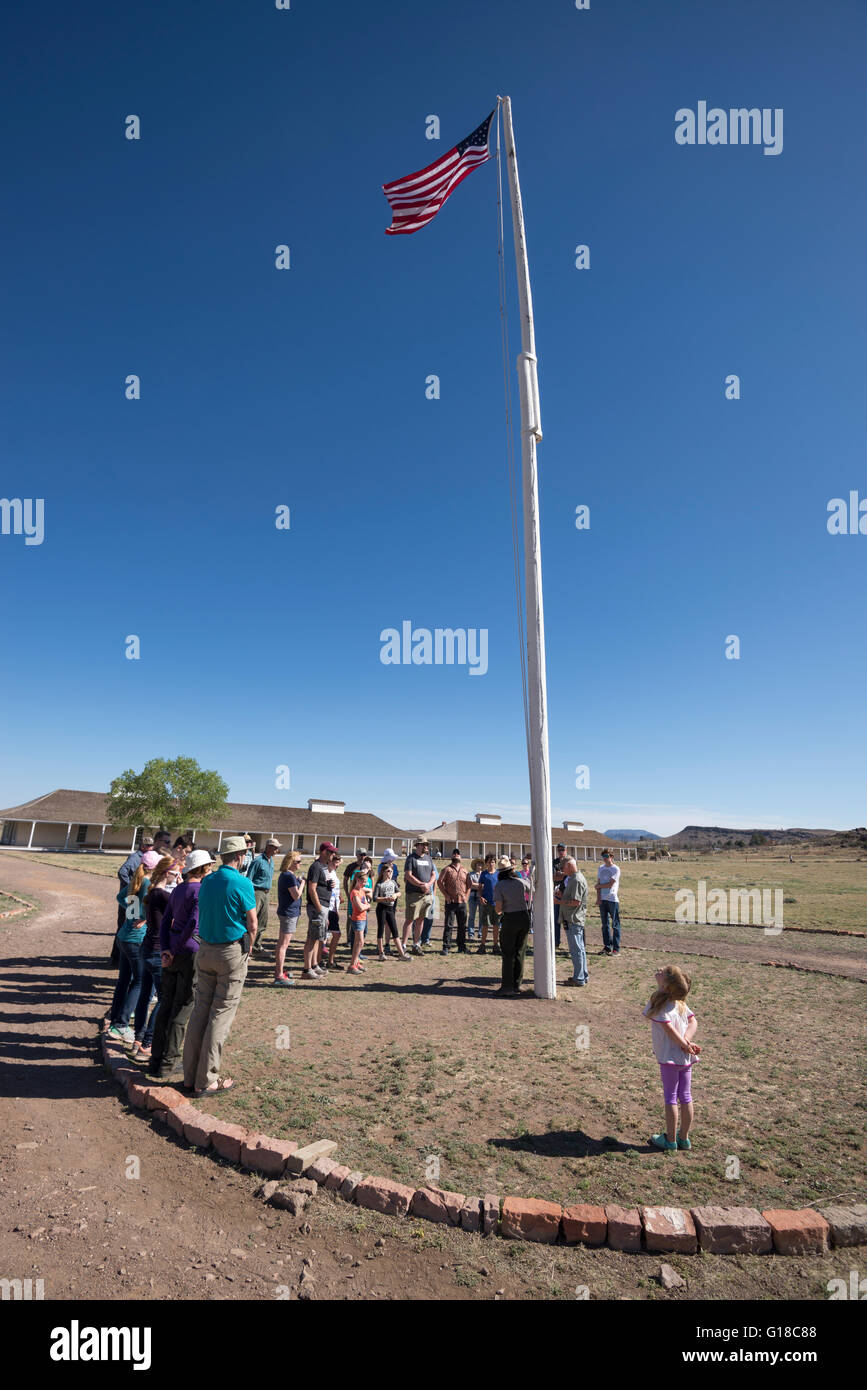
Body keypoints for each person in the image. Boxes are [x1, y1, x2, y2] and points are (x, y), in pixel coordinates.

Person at [182, 835, 257, 1097]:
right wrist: (249, 948)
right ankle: (207, 1080)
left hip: (205, 949)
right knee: (220, 1014)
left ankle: (190, 1076)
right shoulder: (242, 883)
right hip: (230, 951)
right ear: (239, 856)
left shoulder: (207, 880)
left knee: (201, 1010)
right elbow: (253, 922)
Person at [147, 849, 213, 1079]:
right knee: (183, 1007)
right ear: (203, 868)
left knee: (166, 1004)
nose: (211, 869)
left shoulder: (178, 889)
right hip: (189, 951)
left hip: (171, 949)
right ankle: (169, 1061)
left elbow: (166, 921)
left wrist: (166, 949)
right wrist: (174, 951)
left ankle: (155, 1059)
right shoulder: (201, 891)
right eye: (209, 866)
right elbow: (193, 924)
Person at [642, 965, 700, 1151]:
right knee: (686, 1096)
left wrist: (684, 1043)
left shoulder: (659, 1005)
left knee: (671, 1098)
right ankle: (684, 1138)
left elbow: (670, 1030)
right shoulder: (679, 1003)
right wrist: (687, 1042)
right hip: (685, 1058)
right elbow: (693, 1021)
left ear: (667, 986)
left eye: (665, 971)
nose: (659, 969)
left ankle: (670, 1141)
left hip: (669, 1058)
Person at [130, 855, 180, 1061]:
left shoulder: (152, 893)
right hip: (158, 952)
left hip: (147, 948)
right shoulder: (162, 895)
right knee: (165, 997)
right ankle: (148, 1043)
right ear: (168, 873)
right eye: (177, 874)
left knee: (146, 996)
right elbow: (182, 910)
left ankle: (138, 1039)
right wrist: (182, 885)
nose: (179, 877)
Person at [107, 862, 149, 1040]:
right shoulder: (147, 883)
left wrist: (132, 911)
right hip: (136, 938)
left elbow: (120, 897)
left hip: (124, 936)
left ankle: (114, 1020)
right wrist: (143, 917)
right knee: (139, 982)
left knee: (124, 980)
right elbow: (149, 907)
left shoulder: (136, 880)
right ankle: (121, 1024)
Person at [493, 856, 531, 996]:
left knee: (508, 952)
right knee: (520, 951)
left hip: (510, 918)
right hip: (524, 917)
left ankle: (507, 987)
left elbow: (498, 908)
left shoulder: (500, 885)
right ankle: (517, 984)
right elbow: (531, 891)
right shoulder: (521, 881)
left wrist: (501, 910)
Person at [302, 842, 336, 980]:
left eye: (332, 852)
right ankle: (306, 969)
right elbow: (311, 888)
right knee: (312, 938)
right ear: (322, 852)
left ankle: (314, 964)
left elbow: (322, 884)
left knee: (317, 938)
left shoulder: (325, 867)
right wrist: (319, 908)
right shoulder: (316, 866)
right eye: (329, 852)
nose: (332, 855)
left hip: (324, 905)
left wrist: (330, 885)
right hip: (318, 907)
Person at [556, 857, 589, 987]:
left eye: (563, 868)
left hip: (573, 919)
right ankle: (582, 975)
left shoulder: (576, 880)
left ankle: (579, 978)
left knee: (576, 951)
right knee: (579, 949)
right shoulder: (575, 879)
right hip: (575, 919)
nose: (563, 871)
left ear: (569, 865)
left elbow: (576, 902)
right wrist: (562, 897)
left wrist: (559, 902)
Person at [247, 837, 281, 955]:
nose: (277, 850)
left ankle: (256, 946)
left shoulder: (271, 860)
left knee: (262, 920)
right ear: (268, 847)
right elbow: (249, 879)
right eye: (275, 848)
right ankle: (247, 947)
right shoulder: (258, 861)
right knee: (252, 920)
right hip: (256, 892)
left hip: (266, 893)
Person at [274, 851, 303, 985]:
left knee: (281, 943)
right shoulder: (288, 877)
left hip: (287, 912)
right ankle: (279, 975)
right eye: (297, 861)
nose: (300, 864)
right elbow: (296, 895)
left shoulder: (287, 876)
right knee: (283, 945)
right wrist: (302, 883)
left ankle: (279, 971)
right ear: (291, 862)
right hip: (289, 913)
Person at [401, 839, 435, 955]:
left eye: (427, 845)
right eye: (424, 845)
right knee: (410, 920)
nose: (426, 846)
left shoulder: (429, 858)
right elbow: (408, 875)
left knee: (421, 920)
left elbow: (433, 874)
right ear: (418, 846)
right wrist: (421, 885)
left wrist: (428, 885)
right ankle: (403, 946)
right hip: (413, 894)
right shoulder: (411, 858)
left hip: (426, 894)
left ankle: (416, 944)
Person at [372, 859, 409, 960]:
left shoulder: (393, 882)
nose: (390, 873)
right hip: (381, 909)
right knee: (381, 930)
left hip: (390, 908)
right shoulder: (379, 884)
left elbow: (399, 892)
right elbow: (374, 898)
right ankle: (381, 953)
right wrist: (386, 898)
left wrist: (395, 895)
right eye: (388, 871)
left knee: (395, 931)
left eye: (391, 871)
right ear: (383, 872)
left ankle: (402, 955)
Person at [439, 850, 469, 953]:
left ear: (460, 856)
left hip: (462, 903)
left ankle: (461, 946)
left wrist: (467, 896)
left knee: (462, 926)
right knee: (448, 925)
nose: (456, 855)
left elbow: (469, 885)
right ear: (452, 856)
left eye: (458, 853)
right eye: (454, 853)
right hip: (450, 902)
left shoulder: (465, 870)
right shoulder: (446, 869)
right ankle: (446, 946)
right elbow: (439, 882)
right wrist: (446, 895)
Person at [597, 848, 622, 955]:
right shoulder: (600, 868)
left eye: (607, 856)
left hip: (612, 899)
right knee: (605, 925)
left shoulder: (616, 869)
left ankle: (616, 948)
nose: (605, 859)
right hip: (602, 899)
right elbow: (598, 883)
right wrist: (598, 898)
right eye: (603, 856)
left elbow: (610, 884)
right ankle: (607, 946)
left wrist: (598, 886)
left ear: (611, 857)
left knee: (615, 925)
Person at [346, 869, 370, 974]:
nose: (364, 884)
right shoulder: (354, 892)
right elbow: (360, 907)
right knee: (359, 942)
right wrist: (368, 905)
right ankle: (352, 965)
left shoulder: (361, 890)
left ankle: (355, 962)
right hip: (358, 919)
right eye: (363, 881)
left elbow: (370, 891)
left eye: (365, 882)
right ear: (357, 880)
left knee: (358, 942)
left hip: (363, 918)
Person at [323, 851, 343, 970]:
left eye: (338, 863)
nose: (337, 865)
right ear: (329, 861)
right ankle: (321, 961)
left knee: (334, 934)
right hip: (327, 907)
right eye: (335, 863)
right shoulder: (325, 872)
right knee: (326, 935)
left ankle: (330, 961)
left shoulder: (333, 872)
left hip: (334, 907)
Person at [477, 854, 500, 955]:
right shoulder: (484, 874)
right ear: (486, 863)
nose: (491, 864)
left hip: (496, 903)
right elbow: (479, 887)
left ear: (495, 863)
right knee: (485, 925)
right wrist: (480, 897)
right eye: (489, 862)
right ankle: (482, 946)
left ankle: (495, 946)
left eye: (493, 862)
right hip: (486, 903)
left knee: (496, 925)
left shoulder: (499, 874)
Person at [419, 860, 439, 948]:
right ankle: (418, 939)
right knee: (419, 918)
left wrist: (434, 894)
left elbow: (435, 880)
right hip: (419, 895)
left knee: (429, 918)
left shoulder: (432, 865)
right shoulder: (417, 864)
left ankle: (426, 939)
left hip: (430, 896)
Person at [552, 843, 567, 949]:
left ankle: (571, 942)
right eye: (559, 850)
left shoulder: (569, 861)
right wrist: (562, 875)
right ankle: (556, 942)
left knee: (567, 920)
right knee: (556, 919)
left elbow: (570, 877)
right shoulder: (554, 862)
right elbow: (553, 877)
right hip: (556, 894)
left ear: (566, 850)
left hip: (567, 894)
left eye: (563, 849)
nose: (561, 851)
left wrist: (561, 875)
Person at [466, 858, 483, 941]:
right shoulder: (471, 874)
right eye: (478, 864)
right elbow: (470, 884)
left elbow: (485, 884)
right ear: (475, 865)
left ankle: (481, 933)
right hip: (472, 896)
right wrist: (480, 886)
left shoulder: (484, 874)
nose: (479, 865)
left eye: (481, 864)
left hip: (482, 897)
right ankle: (471, 933)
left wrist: (477, 885)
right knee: (472, 916)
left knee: (482, 916)